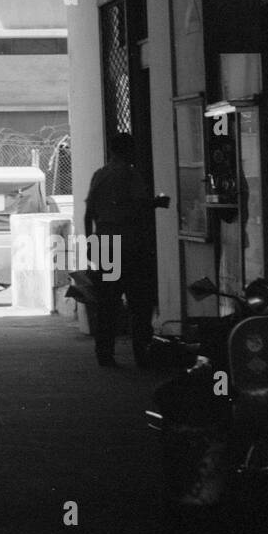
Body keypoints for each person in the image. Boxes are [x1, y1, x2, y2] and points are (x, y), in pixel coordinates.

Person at [83, 132, 170, 368]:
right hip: (130, 244)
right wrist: (158, 202)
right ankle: (142, 354)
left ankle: (105, 354)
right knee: (139, 302)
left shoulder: (99, 175)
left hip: (104, 241)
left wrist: (90, 241)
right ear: (130, 151)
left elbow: (89, 212)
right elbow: (138, 206)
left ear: (111, 150)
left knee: (107, 303)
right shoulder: (131, 174)